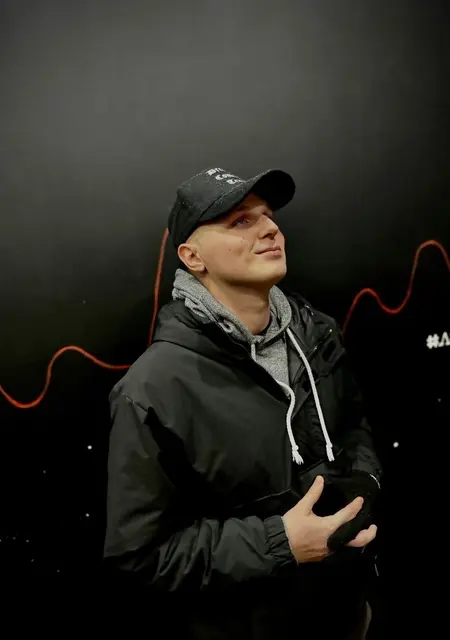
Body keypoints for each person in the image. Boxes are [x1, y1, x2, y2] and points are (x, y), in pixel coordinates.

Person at [103, 167, 382, 639]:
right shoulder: (153, 388)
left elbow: (355, 427)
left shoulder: (318, 333)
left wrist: (364, 488)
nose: (270, 229)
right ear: (192, 256)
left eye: (269, 216)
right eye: (240, 221)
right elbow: (141, 555)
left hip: (348, 615)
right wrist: (280, 544)